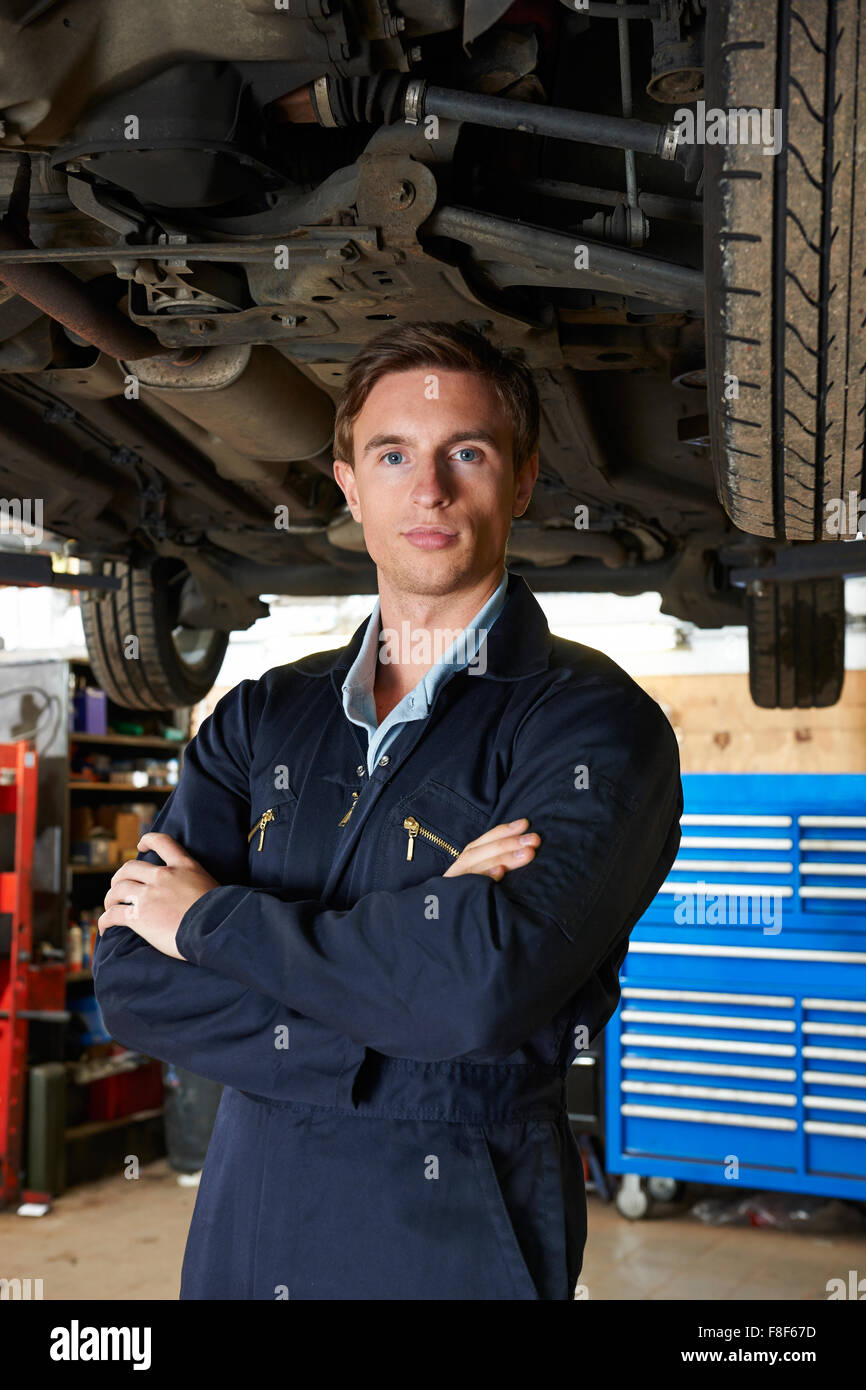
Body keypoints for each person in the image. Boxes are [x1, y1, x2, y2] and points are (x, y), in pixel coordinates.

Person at [94, 319, 682, 1300]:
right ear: (350, 484)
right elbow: (131, 983)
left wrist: (204, 921)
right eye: (393, 454)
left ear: (522, 478)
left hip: (453, 1232)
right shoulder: (259, 715)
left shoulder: (593, 727)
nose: (430, 488)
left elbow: (477, 992)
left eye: (467, 452)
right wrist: (412, 958)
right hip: (246, 1227)